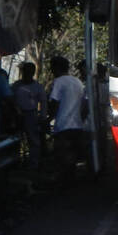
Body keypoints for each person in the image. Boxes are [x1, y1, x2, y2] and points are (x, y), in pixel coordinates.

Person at [47, 56, 86, 185]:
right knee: (72, 156)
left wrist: (48, 119)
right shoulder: (78, 82)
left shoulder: (58, 82)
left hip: (63, 126)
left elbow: (54, 103)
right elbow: (84, 104)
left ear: (56, 68)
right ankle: (71, 182)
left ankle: (64, 184)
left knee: (62, 156)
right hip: (77, 125)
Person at [11, 61, 46, 168]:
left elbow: (43, 102)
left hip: (31, 115)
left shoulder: (38, 86)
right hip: (17, 115)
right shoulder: (16, 85)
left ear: (33, 72)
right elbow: (10, 99)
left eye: (30, 71)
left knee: (33, 140)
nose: (27, 73)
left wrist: (43, 117)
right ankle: (15, 162)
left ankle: (33, 164)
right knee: (15, 140)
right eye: (25, 71)